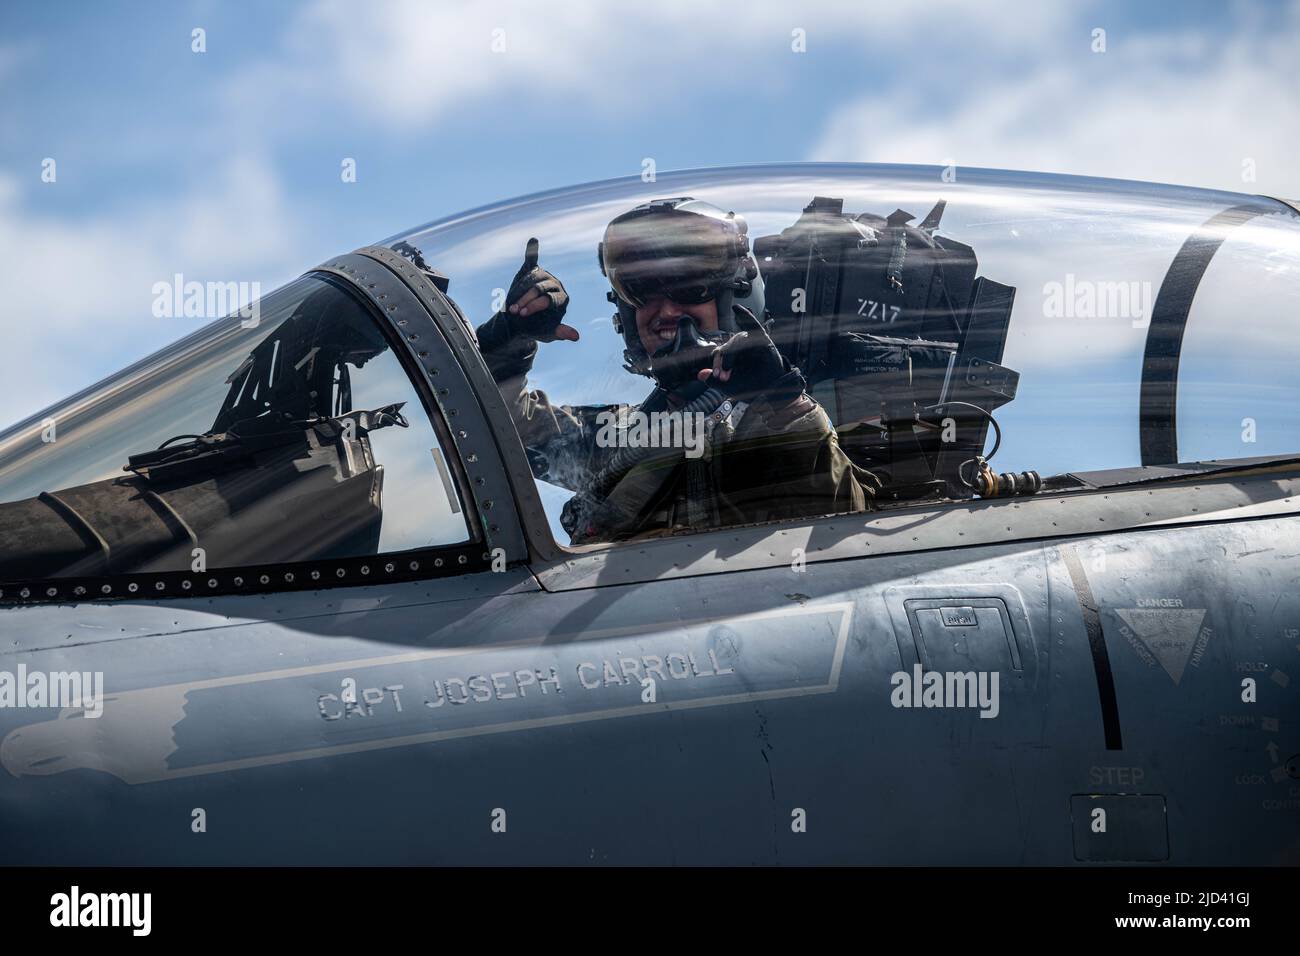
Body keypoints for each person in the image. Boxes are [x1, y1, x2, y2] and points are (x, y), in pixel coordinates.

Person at [474, 197, 880, 544]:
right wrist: (510, 339)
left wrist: (783, 409)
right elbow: (503, 430)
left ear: (735, 295)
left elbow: (846, 537)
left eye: (689, 287)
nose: (666, 311)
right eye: (643, 292)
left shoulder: (810, 417)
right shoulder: (625, 438)